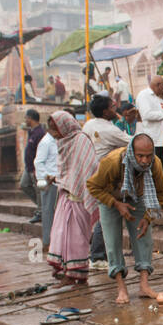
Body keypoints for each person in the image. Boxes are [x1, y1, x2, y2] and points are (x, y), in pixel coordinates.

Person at [87, 133, 163, 304]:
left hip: (137, 197)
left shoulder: (156, 164)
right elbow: (93, 186)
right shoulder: (112, 161)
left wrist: (148, 217)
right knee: (112, 241)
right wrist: (116, 204)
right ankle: (121, 287)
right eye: (140, 156)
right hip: (109, 197)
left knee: (144, 237)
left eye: (148, 155)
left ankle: (144, 286)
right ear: (132, 151)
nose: (145, 161)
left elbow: (161, 193)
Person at [44, 110, 99, 285]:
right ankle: (70, 271)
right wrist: (58, 179)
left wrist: (79, 185)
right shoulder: (63, 143)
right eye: (52, 130)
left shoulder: (81, 140)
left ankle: (77, 274)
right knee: (62, 234)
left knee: (76, 238)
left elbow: (90, 166)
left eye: (56, 129)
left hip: (80, 196)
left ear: (64, 126)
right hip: (66, 195)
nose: (54, 134)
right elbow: (68, 170)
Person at [136, 76, 163, 202]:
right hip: (153, 140)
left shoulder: (160, 99)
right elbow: (146, 114)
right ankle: (154, 200)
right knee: (154, 171)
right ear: (157, 85)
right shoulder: (144, 95)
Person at [33, 119, 58, 251]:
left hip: (58, 181)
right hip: (49, 182)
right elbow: (38, 162)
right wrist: (46, 177)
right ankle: (47, 242)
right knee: (48, 212)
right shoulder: (46, 142)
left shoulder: (56, 141)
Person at [22, 109, 45, 222]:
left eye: (26, 117)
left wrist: (37, 168)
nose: (25, 120)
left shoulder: (40, 133)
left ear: (30, 118)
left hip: (35, 167)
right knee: (24, 185)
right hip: (28, 167)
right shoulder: (31, 132)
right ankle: (43, 206)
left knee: (38, 189)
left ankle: (41, 211)